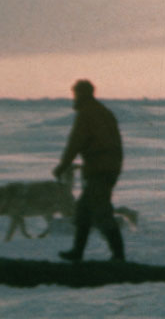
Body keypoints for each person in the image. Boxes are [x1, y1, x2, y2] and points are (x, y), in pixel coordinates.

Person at [54, 79, 126, 263]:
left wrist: (62, 166)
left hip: (99, 169)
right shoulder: (104, 112)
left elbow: (75, 142)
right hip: (109, 168)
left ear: (81, 94)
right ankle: (77, 253)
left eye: (75, 94)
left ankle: (119, 256)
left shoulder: (87, 114)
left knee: (100, 211)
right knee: (84, 210)